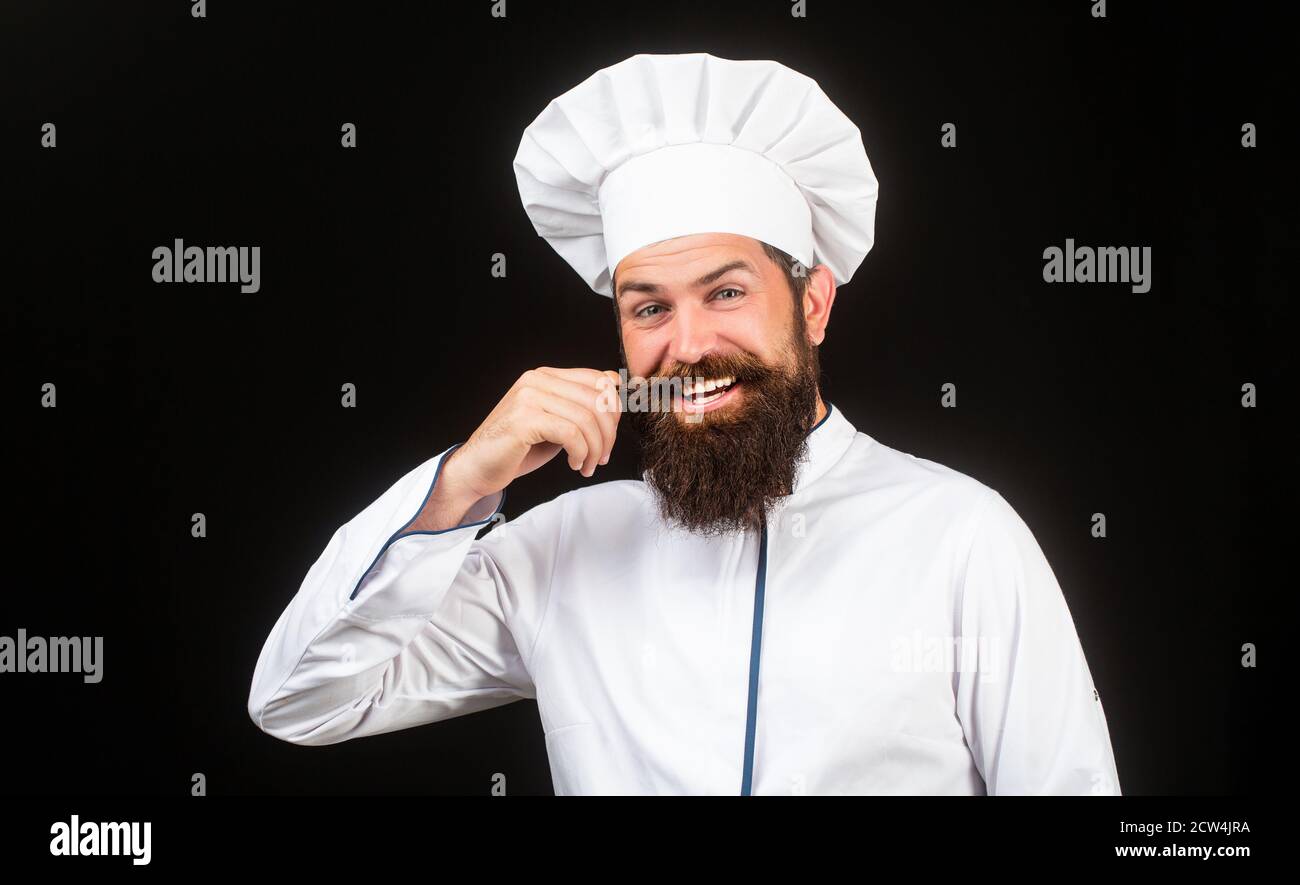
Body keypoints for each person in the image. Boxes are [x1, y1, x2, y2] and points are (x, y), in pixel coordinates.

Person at [247, 52, 1122, 795]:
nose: (688, 344)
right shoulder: (559, 553)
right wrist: (463, 483)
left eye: (727, 292)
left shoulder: (961, 538)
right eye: (649, 308)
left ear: (813, 302)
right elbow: (298, 697)